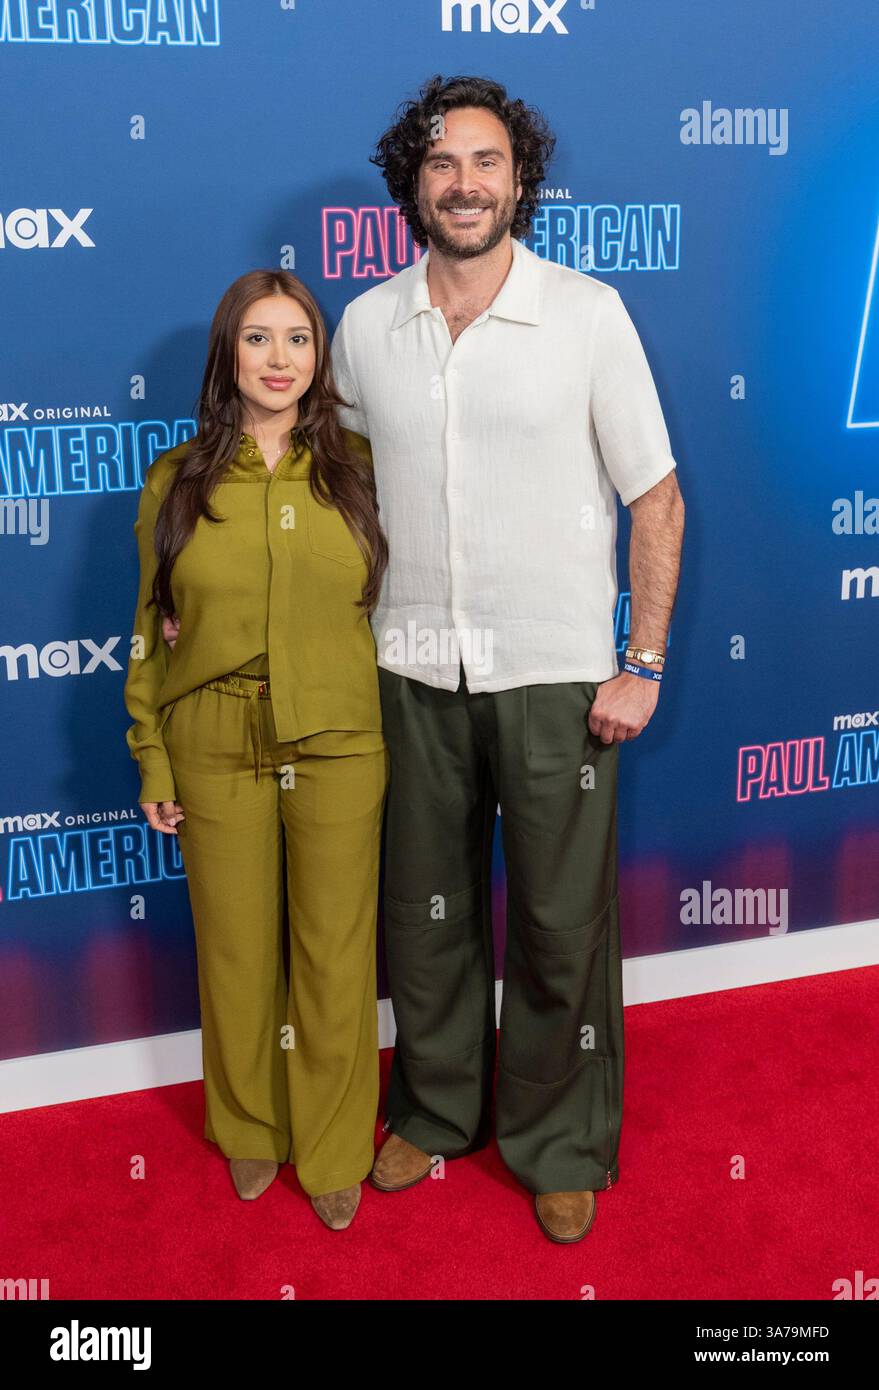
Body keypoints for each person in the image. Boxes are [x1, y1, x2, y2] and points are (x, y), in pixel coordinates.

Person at [328, 75, 686, 1242]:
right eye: (442, 165)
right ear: (411, 184)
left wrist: (641, 658)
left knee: (557, 922)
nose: (464, 183)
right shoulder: (366, 324)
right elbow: (338, 492)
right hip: (409, 675)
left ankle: (559, 1139)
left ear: (519, 178)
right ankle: (435, 1110)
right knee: (423, 922)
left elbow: (659, 498)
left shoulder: (587, 313)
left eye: (485, 162)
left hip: (556, 680)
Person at [124, 269, 389, 1231]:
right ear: (227, 354)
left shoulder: (360, 466)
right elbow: (151, 627)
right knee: (235, 951)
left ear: (321, 357)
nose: (279, 360)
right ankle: (245, 1130)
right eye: (257, 339)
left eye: (298, 340)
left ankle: (330, 1146)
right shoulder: (179, 477)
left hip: (340, 741)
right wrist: (151, 752)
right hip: (212, 741)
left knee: (333, 954)